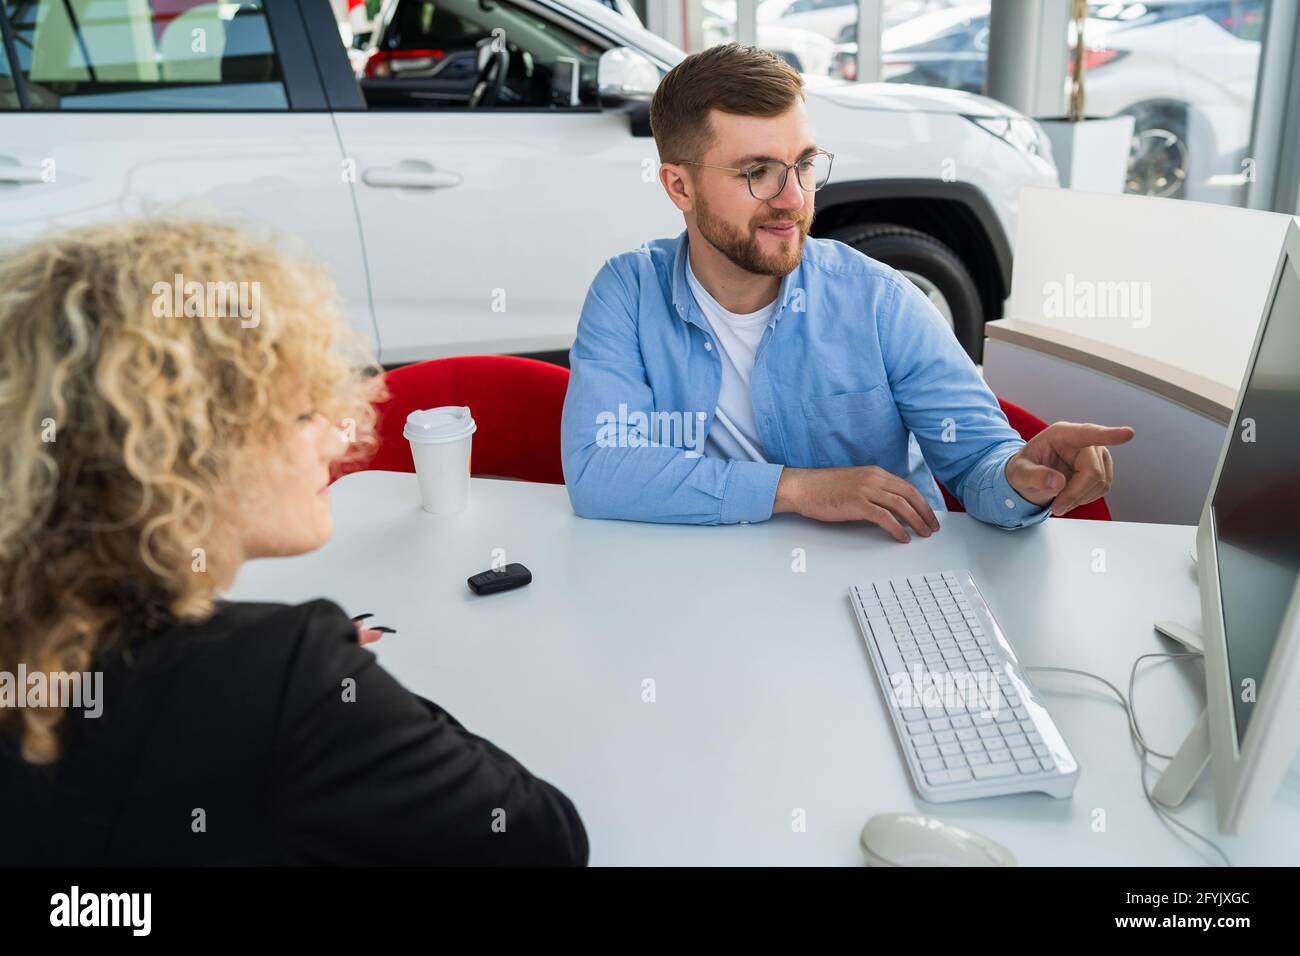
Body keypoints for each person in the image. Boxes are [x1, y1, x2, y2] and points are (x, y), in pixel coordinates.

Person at [0, 220, 587, 865]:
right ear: (182, 456)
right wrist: (347, 682)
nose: (341, 442)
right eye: (305, 414)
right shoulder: (289, 670)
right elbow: (544, 839)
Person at [561, 44, 1134, 541]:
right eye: (758, 171)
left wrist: (1022, 478)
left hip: (877, 589)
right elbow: (600, 472)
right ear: (679, 186)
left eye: (804, 164)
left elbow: (979, 466)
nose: (793, 198)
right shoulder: (627, 293)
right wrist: (797, 489)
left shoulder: (879, 299)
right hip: (706, 595)